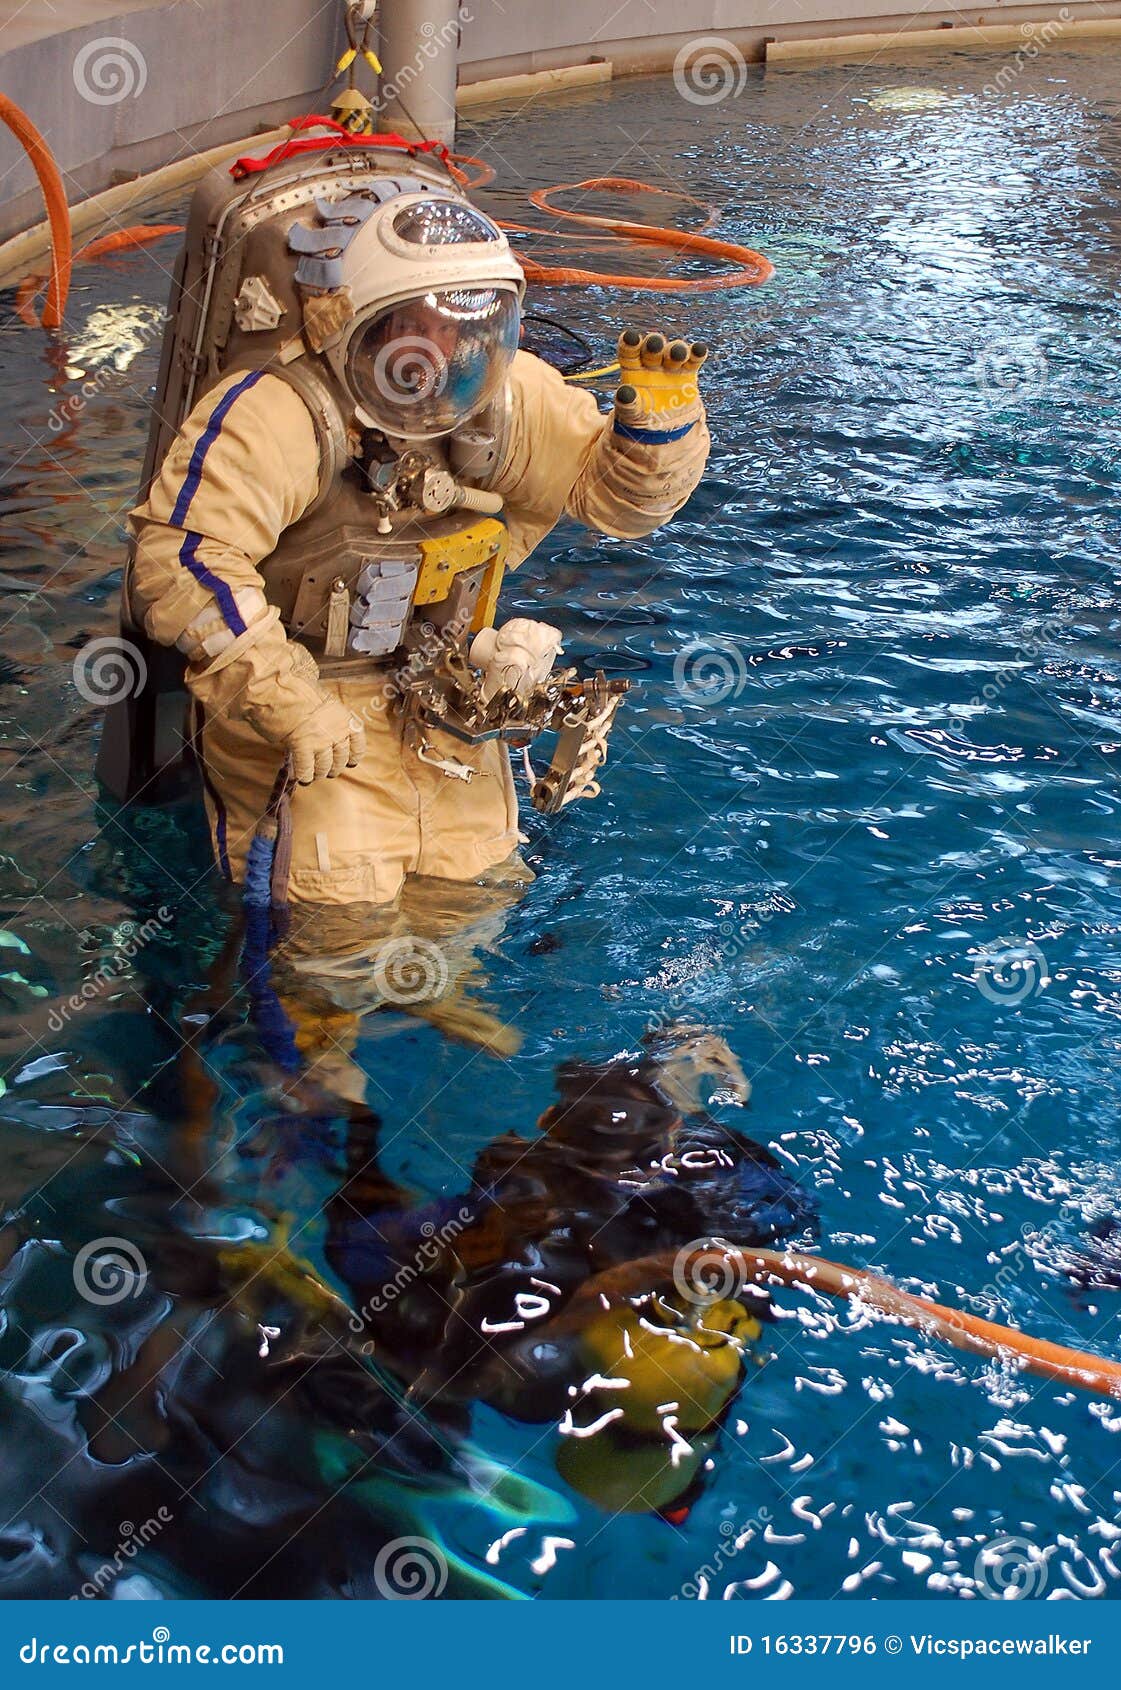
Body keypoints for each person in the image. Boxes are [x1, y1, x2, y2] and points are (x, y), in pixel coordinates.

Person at [122, 132, 711, 909]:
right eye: (417, 325)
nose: (441, 350)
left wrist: (652, 442)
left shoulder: (506, 396)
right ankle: (321, 1019)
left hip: (443, 680)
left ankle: (442, 985)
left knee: (480, 873)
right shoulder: (278, 414)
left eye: (466, 327)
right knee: (336, 892)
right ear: (351, 322)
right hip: (308, 686)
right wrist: (289, 704)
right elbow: (182, 561)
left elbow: (614, 506)